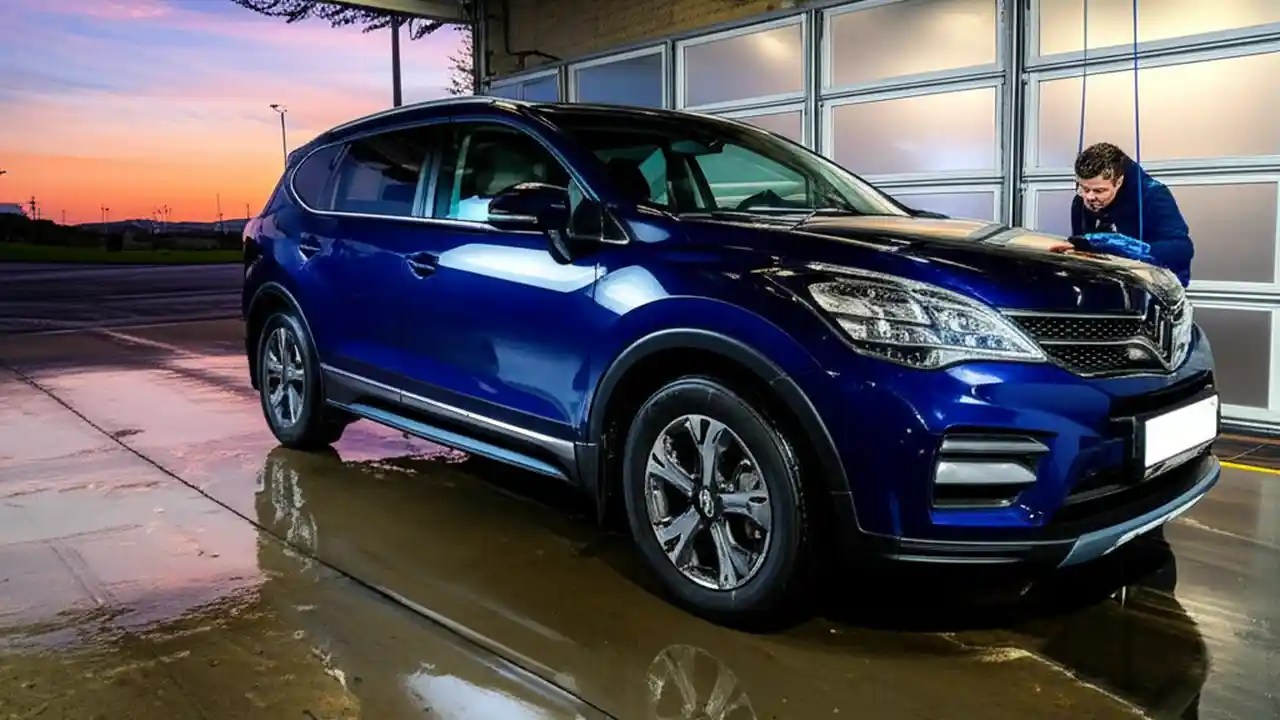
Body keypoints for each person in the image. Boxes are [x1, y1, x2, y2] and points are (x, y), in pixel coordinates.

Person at [1068, 142, 1194, 287]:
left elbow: (1181, 249)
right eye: (1084, 189)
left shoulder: (1153, 196)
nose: (1089, 197)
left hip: (1152, 286)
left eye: (1099, 191)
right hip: (1101, 284)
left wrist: (1128, 248)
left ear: (1119, 182)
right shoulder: (1080, 201)